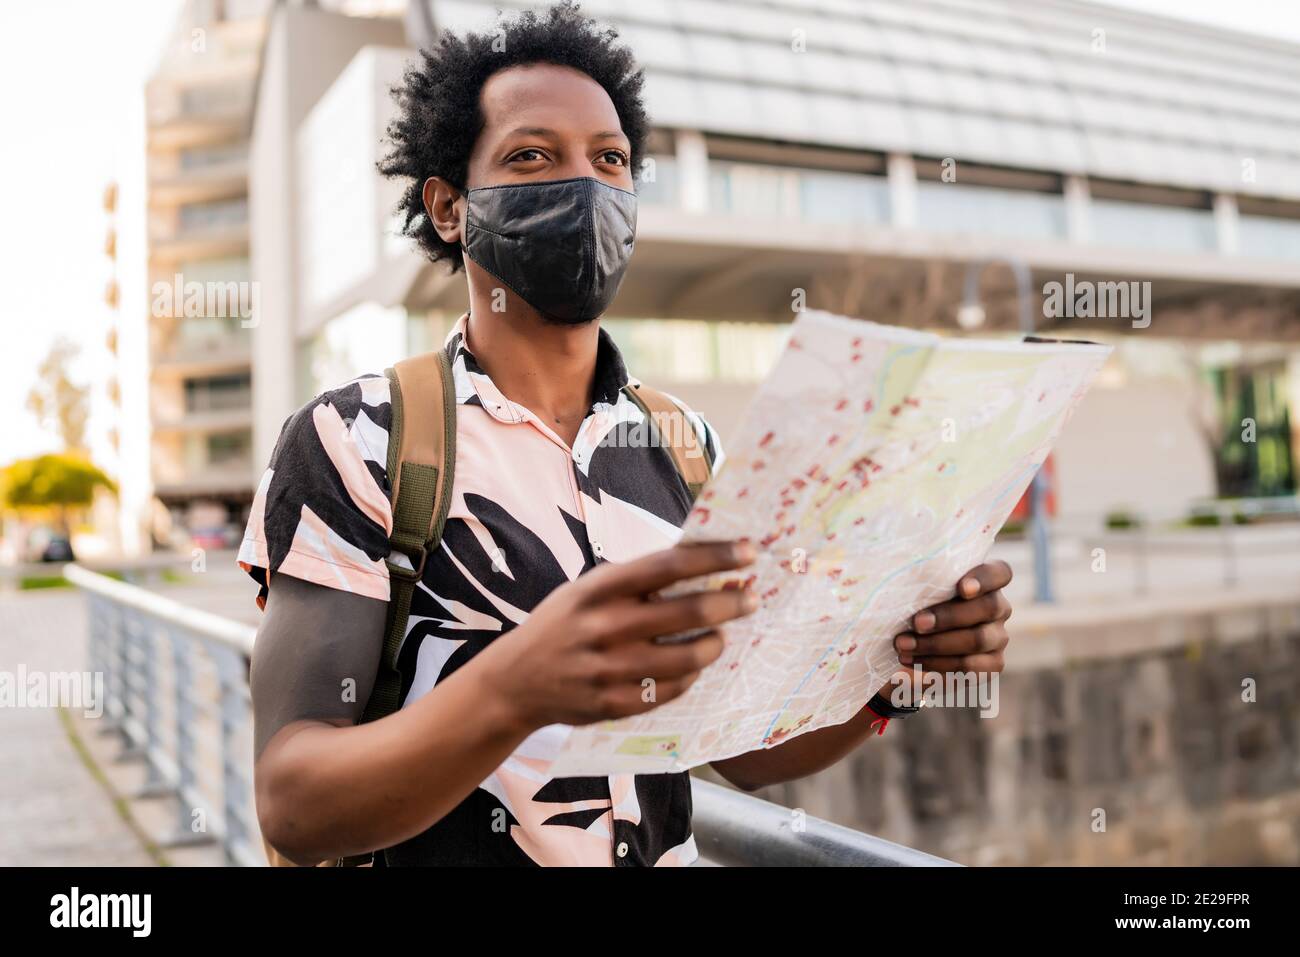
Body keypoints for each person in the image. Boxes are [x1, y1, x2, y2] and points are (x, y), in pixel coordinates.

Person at [241, 1, 1013, 867]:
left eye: (611, 160)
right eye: (532, 156)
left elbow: (745, 751)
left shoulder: (689, 449)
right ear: (451, 207)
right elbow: (294, 802)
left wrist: (892, 675)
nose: (587, 185)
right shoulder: (357, 441)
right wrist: (515, 685)